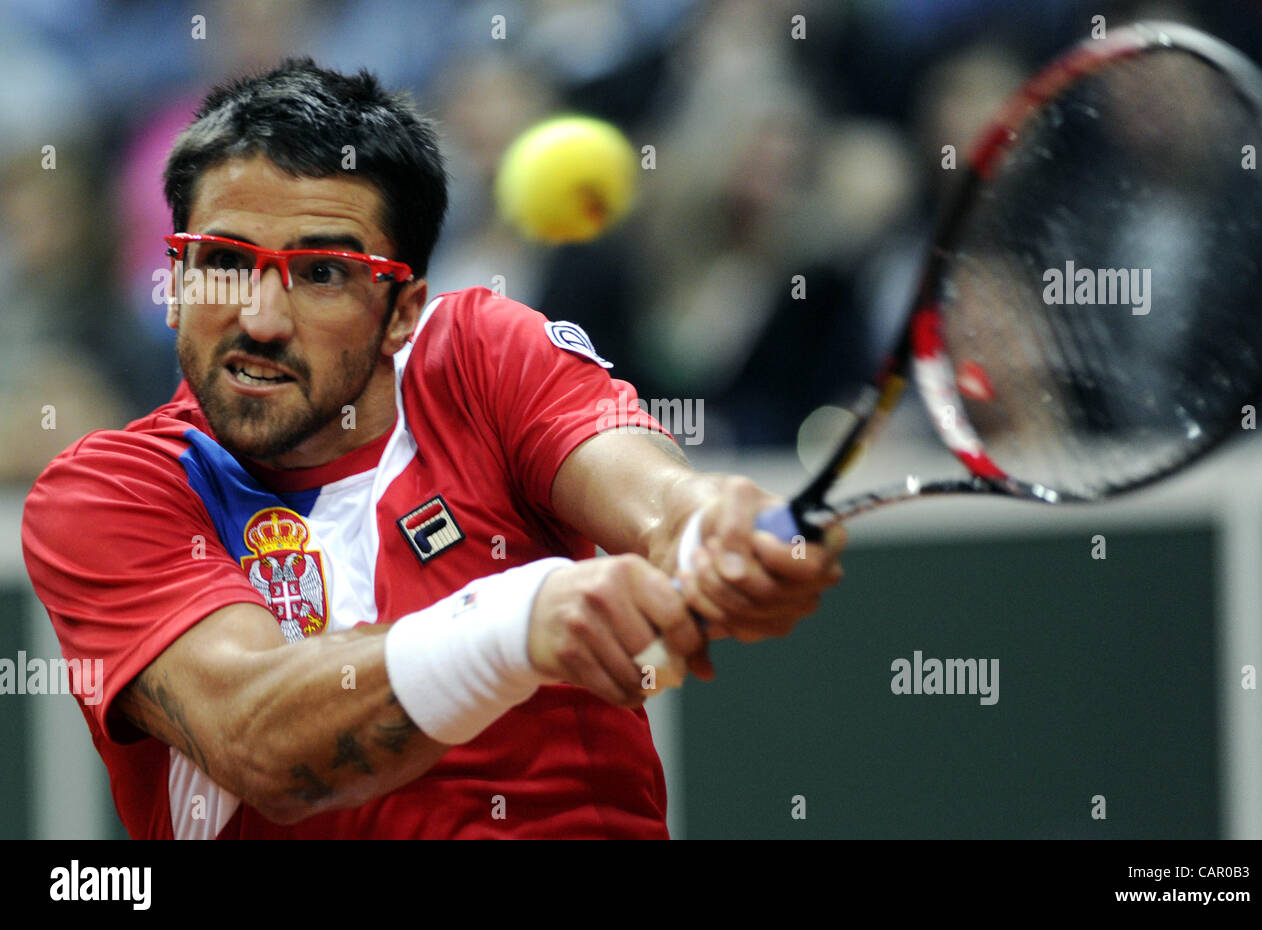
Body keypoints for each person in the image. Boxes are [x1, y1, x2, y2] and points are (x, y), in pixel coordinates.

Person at [21, 59, 845, 839]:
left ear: (405, 309)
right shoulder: (105, 493)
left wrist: (715, 527)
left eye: (321, 274)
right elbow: (256, 739)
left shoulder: (482, 357)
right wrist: (520, 622)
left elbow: (658, 498)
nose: (260, 319)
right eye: (225, 263)